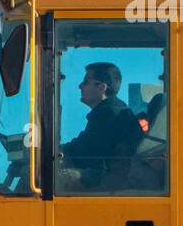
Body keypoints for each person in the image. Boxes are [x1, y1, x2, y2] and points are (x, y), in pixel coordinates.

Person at [59, 61, 143, 191]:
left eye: (86, 82)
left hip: (114, 178)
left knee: (55, 178)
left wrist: (54, 152)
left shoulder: (108, 114)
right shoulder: (112, 110)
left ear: (101, 88)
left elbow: (84, 151)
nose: (80, 86)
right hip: (111, 174)